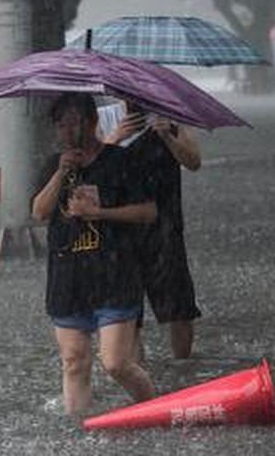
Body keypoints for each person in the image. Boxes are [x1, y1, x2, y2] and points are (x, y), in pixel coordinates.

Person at [31, 93, 158, 417]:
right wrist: (61, 174)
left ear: (92, 121)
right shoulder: (53, 164)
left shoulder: (121, 160)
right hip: (68, 277)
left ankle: (156, 412)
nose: (67, 131)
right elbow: (39, 212)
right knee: (74, 361)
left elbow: (147, 212)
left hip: (114, 274)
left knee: (116, 363)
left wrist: (100, 213)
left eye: (73, 123)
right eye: (60, 125)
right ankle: (79, 434)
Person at [99, 100, 202, 360]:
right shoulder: (102, 118)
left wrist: (168, 135)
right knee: (128, 315)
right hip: (120, 230)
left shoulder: (173, 114)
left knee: (179, 309)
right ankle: (140, 374)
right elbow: (93, 173)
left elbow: (193, 162)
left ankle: (182, 370)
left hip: (165, 227)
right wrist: (114, 139)